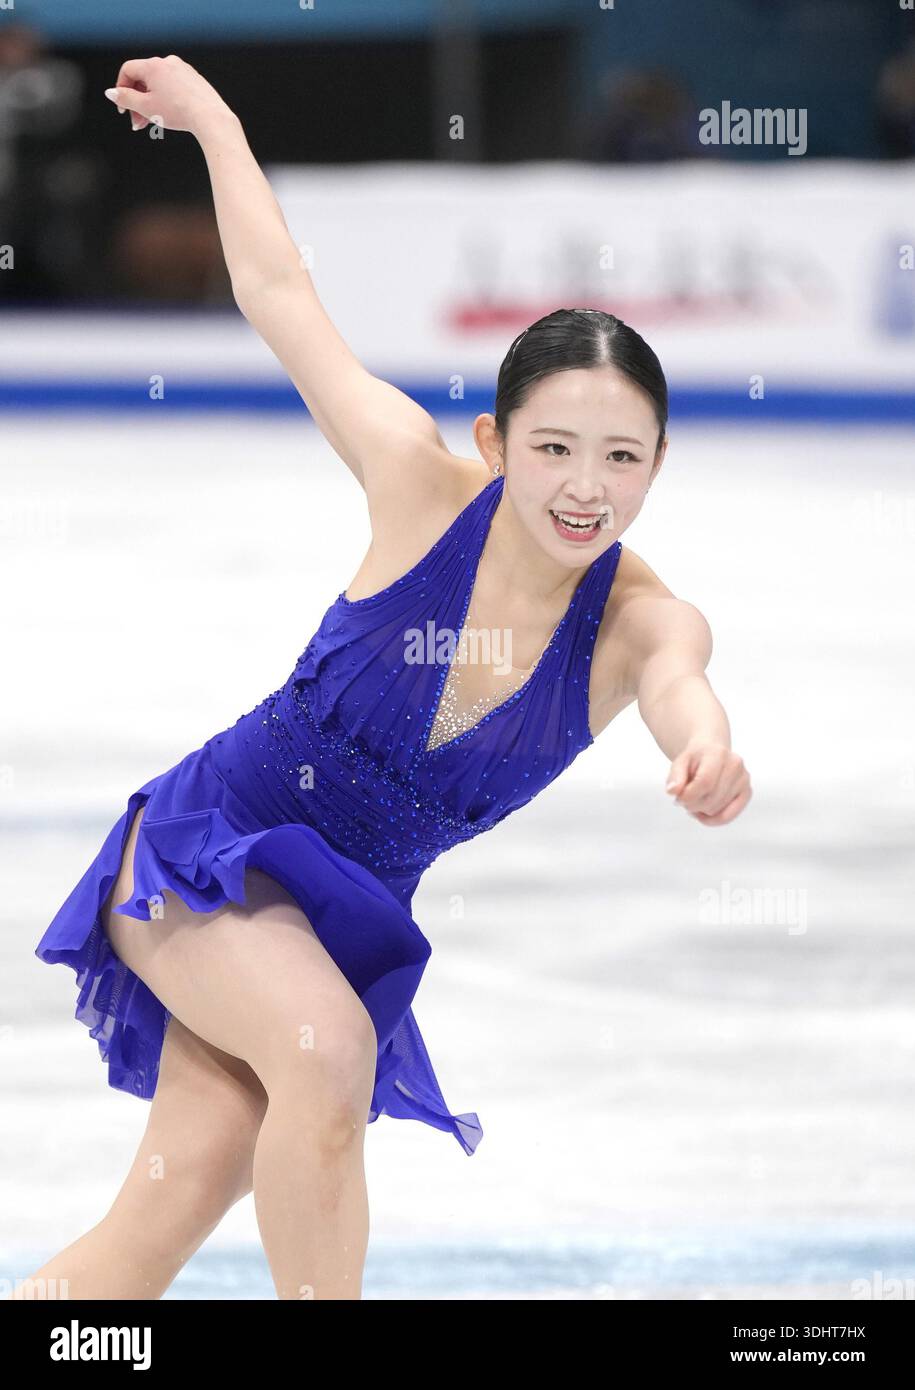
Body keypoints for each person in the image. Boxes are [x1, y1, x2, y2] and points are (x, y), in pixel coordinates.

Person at [14, 57, 751, 1303]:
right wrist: (217, 120)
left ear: (659, 463)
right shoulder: (418, 484)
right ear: (493, 442)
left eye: (621, 457)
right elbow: (279, 292)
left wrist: (710, 742)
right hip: (204, 849)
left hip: (326, 937)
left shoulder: (637, 625)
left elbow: (683, 681)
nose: (587, 486)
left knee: (135, 1256)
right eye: (555, 447)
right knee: (324, 1046)